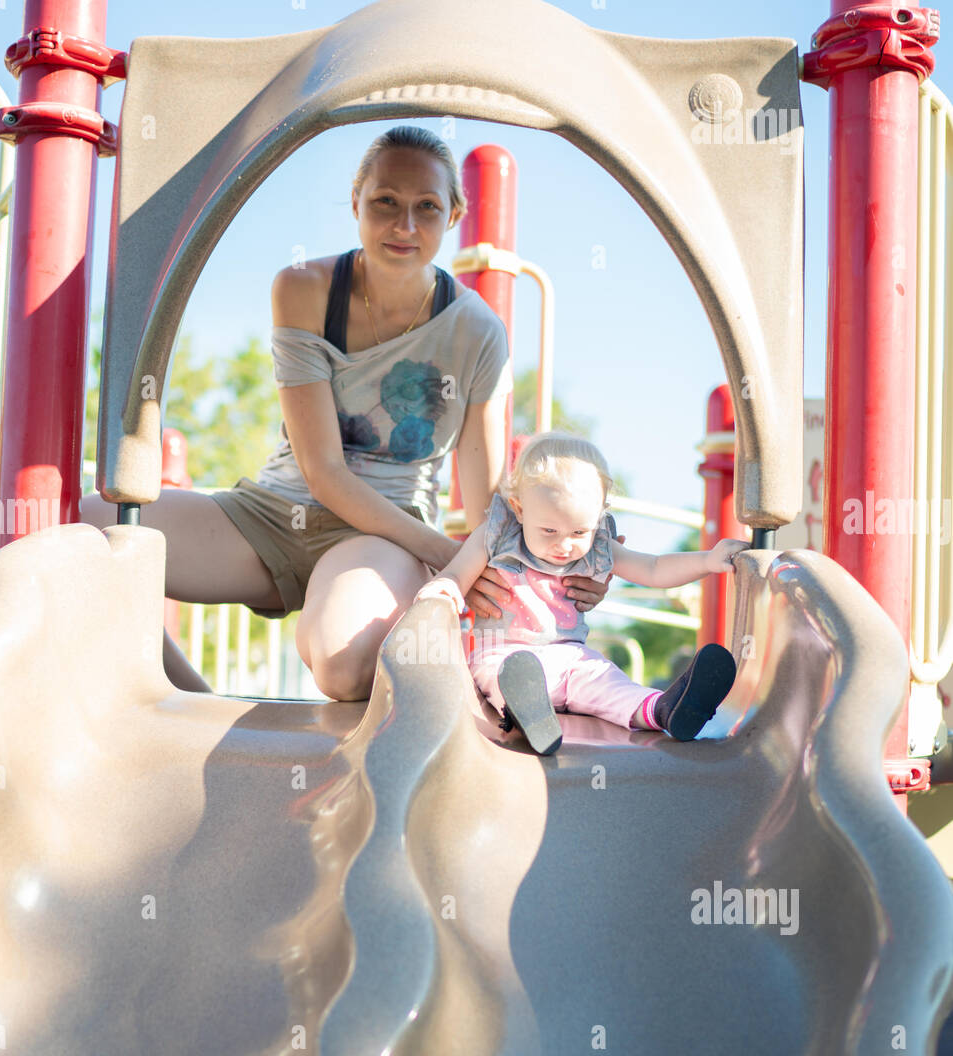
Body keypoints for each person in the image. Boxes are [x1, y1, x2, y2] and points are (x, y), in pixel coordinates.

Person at [79, 127, 611, 695]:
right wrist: (446, 554)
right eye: (385, 201)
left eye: (426, 207)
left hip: (389, 537)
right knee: (82, 537)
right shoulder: (305, 289)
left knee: (340, 662)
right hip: (274, 515)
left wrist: (554, 566)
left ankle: (401, 652)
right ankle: (186, 705)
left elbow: (485, 500)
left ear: (453, 214)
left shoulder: (478, 330)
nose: (404, 225)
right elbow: (323, 473)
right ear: (356, 199)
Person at [415, 430, 748, 754]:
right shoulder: (496, 536)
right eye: (549, 530)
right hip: (505, 654)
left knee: (607, 682)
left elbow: (653, 568)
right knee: (501, 676)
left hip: (571, 656)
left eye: (579, 531)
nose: (564, 544)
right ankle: (528, 715)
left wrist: (707, 559)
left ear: (599, 516)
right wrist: (440, 593)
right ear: (519, 509)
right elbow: (455, 576)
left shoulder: (596, 548)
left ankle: (664, 710)